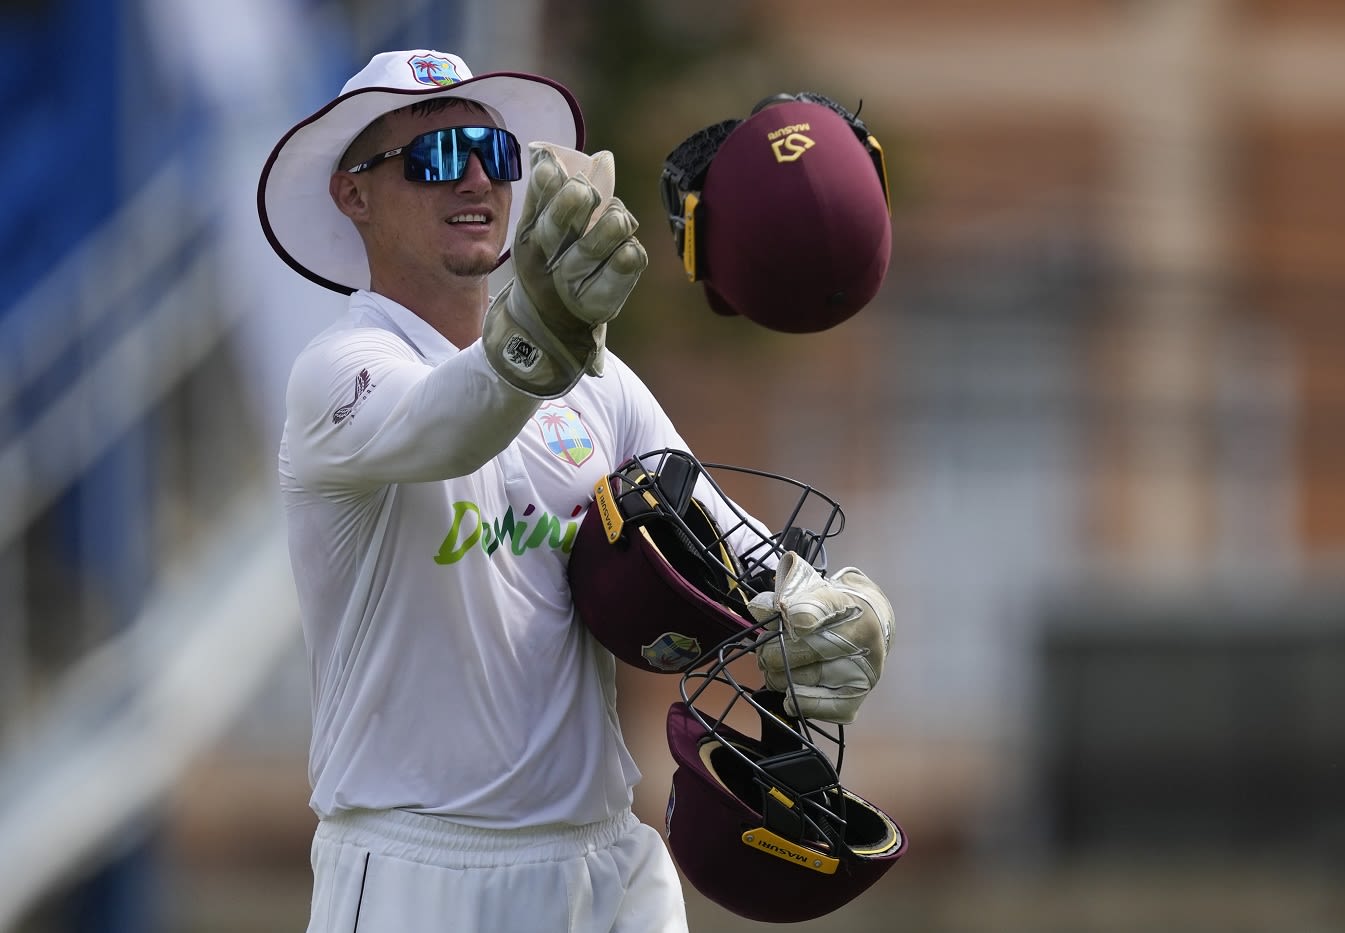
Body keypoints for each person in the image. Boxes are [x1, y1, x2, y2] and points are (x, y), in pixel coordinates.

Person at [257, 49, 894, 932]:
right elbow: (455, 420)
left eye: (493, 151)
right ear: (352, 193)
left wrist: (841, 614)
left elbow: (738, 545)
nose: (474, 177)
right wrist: (546, 329)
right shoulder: (339, 373)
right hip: (412, 869)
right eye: (435, 158)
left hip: (602, 865)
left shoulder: (598, 382)